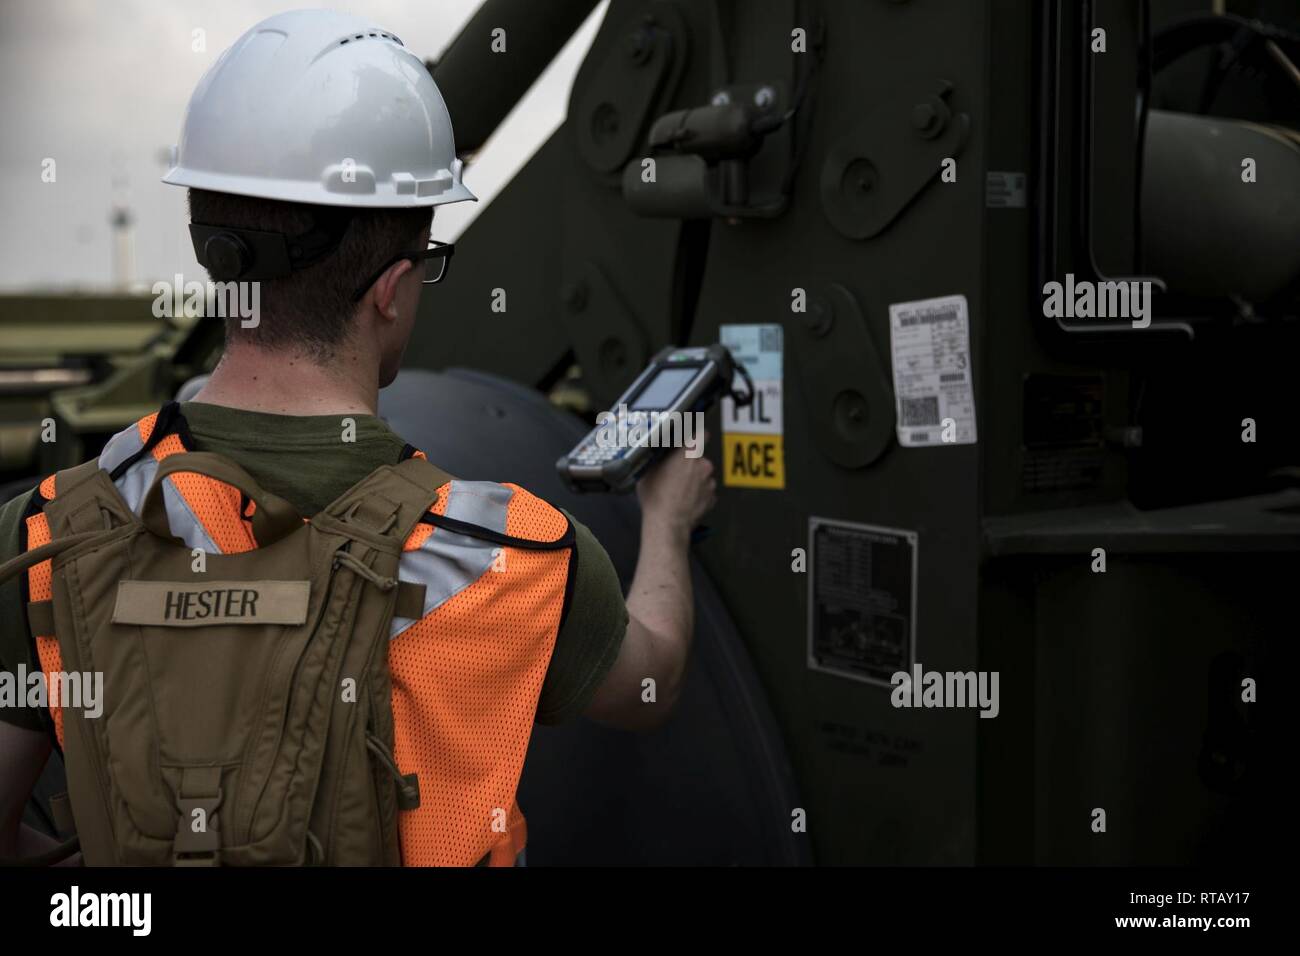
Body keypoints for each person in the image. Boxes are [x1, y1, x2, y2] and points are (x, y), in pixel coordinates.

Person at [0, 9, 714, 867]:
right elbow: (653, 681)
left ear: (211, 248)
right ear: (393, 288)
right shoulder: (512, 557)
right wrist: (667, 523)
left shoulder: (49, 535)